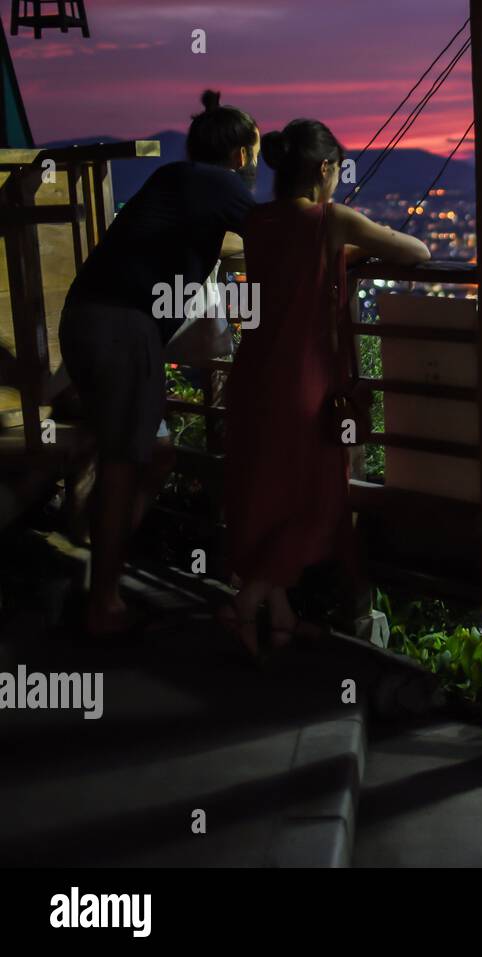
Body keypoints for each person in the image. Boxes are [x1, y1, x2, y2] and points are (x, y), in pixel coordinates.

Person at [220, 119, 429, 654]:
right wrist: (349, 247)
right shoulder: (331, 219)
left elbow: (287, 268)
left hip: (254, 376)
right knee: (316, 498)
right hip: (303, 382)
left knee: (267, 493)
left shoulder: (258, 219)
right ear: (324, 169)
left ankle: (276, 611)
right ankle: (249, 601)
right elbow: (417, 252)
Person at [58, 90, 259, 636]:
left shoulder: (177, 181)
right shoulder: (219, 184)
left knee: (158, 454)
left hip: (87, 319)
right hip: (124, 328)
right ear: (241, 154)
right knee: (127, 458)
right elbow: (281, 233)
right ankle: (103, 604)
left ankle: (103, 556)